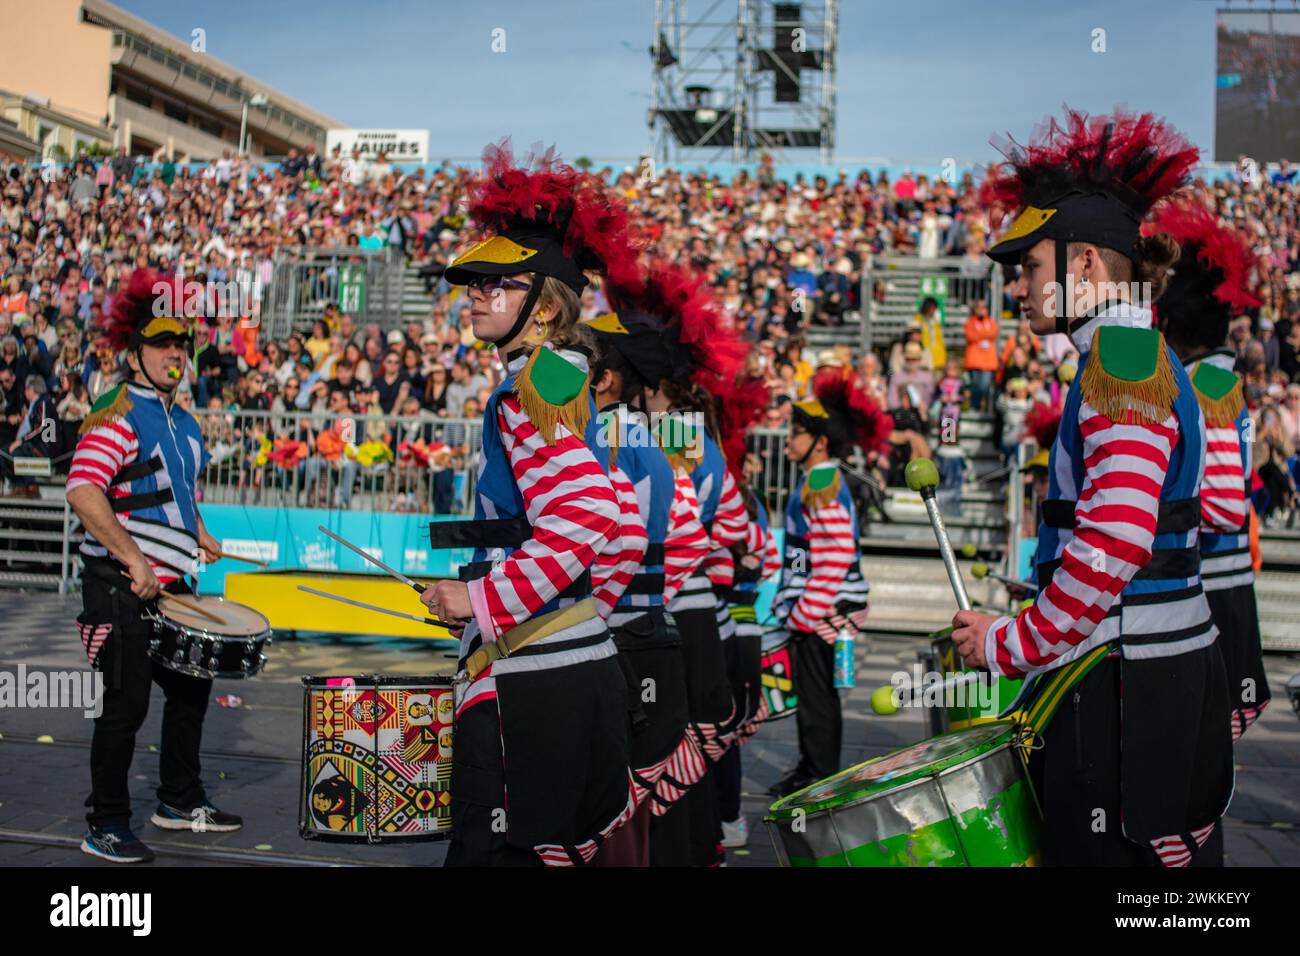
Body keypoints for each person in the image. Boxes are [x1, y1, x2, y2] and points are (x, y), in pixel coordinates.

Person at [951, 108, 1233, 867]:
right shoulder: (1126, 349)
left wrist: (1009, 644)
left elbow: (1115, 541)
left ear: (1084, 267)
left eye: (1029, 267)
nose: (1016, 287)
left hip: (1122, 691)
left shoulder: (1122, 355)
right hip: (1130, 675)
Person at [421, 143, 640, 866]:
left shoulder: (532, 386)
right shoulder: (569, 381)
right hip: (576, 664)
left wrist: (479, 602)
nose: (475, 296)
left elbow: (585, 519)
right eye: (473, 285)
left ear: (544, 305)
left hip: (536, 683)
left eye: (496, 285)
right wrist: (583, 617)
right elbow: (623, 522)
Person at [65, 270, 240, 864]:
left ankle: (178, 799)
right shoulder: (115, 412)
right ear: (135, 352)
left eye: (182, 344)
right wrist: (134, 557)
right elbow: (84, 490)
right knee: (126, 703)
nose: (175, 354)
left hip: (172, 585)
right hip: (120, 583)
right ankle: (106, 822)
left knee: (192, 690)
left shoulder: (185, 422)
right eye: (163, 343)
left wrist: (200, 533)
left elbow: (171, 493)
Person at [1151, 200, 1271, 738]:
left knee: (1197, 757)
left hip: (1213, 585)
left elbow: (1222, 506)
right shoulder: (1219, 379)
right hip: (1223, 582)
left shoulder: (1207, 384)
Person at [770, 370, 890, 796]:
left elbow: (836, 554)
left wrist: (804, 613)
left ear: (819, 441)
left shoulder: (821, 479)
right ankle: (811, 768)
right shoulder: (818, 476)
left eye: (796, 433)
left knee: (817, 696)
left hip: (823, 609)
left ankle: (819, 779)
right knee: (813, 694)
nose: (788, 441)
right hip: (822, 605)